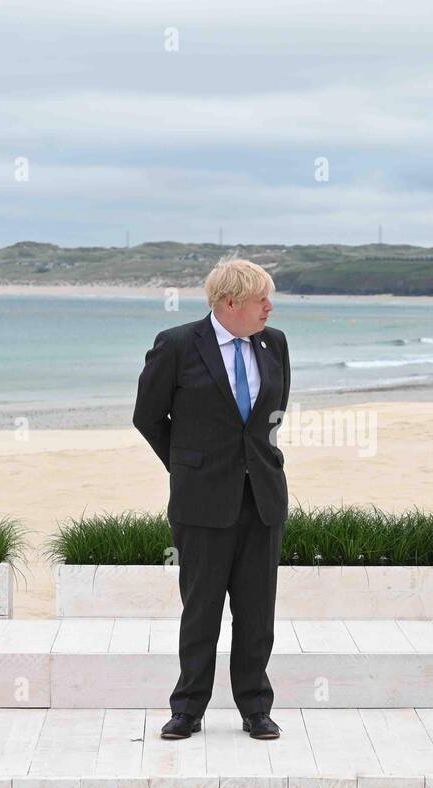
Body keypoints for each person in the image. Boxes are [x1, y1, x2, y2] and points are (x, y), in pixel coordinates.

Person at [132, 259, 290, 741]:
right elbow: (148, 417)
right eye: (261, 299)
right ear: (230, 303)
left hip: (262, 497)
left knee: (257, 611)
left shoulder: (275, 342)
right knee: (201, 610)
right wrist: (187, 466)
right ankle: (188, 709)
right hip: (201, 502)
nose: (270, 306)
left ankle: (255, 708)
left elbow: (272, 414)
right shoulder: (177, 345)